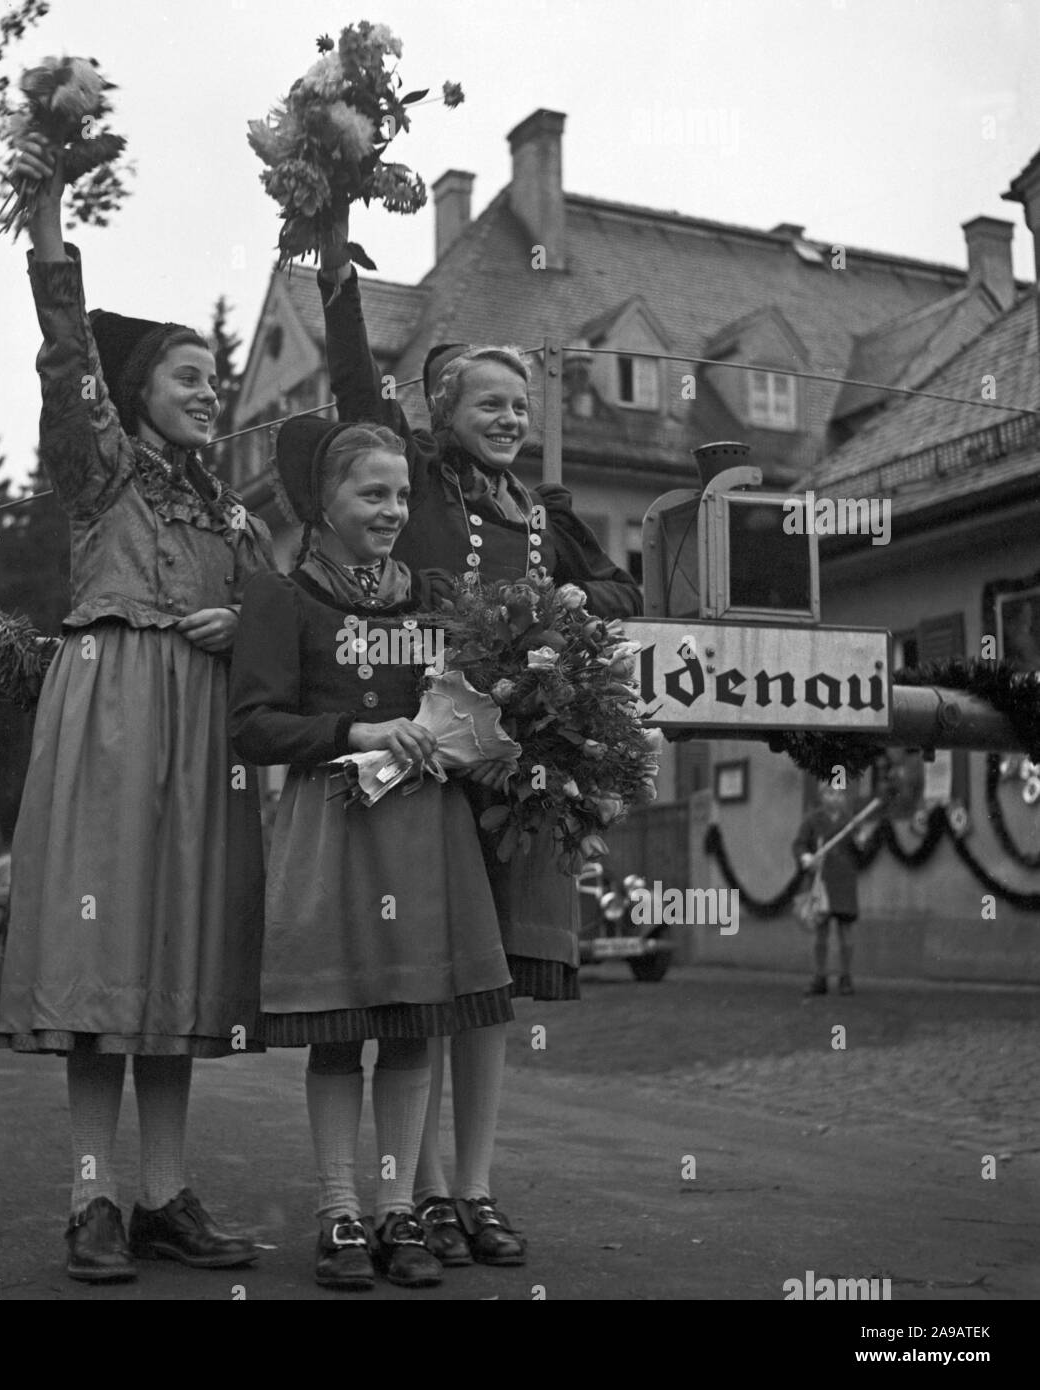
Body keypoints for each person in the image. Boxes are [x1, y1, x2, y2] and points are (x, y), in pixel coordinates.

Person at [314, 204, 643, 1265]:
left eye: (519, 403)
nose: (506, 417)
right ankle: (401, 1196)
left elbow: (616, 584)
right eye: (487, 402)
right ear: (439, 409)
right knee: (432, 980)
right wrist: (331, 247)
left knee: (495, 987)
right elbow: (356, 390)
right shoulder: (410, 486)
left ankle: (474, 1186)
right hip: (426, 766)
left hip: (523, 773)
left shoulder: (545, 515)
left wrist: (584, 611)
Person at [0, 133, 275, 1284]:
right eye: (186, 378)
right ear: (137, 397)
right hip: (110, 713)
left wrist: (241, 624)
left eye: (216, 379)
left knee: (178, 963)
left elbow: (282, 624)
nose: (209, 392)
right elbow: (67, 358)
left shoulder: (233, 516)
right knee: (106, 963)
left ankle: (164, 1195)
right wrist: (51, 216)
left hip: (202, 733)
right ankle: (91, 1199)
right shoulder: (103, 467)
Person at [229, 417, 515, 1291]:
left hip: (425, 830)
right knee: (341, 1027)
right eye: (371, 493)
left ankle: (398, 1208)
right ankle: (338, 1212)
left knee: (411, 1023)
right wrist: (356, 727)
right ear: (325, 501)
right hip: (337, 824)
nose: (391, 509)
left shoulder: (432, 597)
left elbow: (475, 692)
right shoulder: (282, 597)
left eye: (400, 494)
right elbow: (253, 724)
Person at [793, 784, 867, 996]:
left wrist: (860, 841)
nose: (835, 798)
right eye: (830, 793)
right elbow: (799, 844)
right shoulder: (812, 820)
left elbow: (859, 850)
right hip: (821, 882)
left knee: (845, 932)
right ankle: (820, 977)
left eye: (839, 793)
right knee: (821, 932)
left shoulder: (851, 821)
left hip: (844, 880)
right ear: (822, 795)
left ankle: (846, 977)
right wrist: (805, 857)